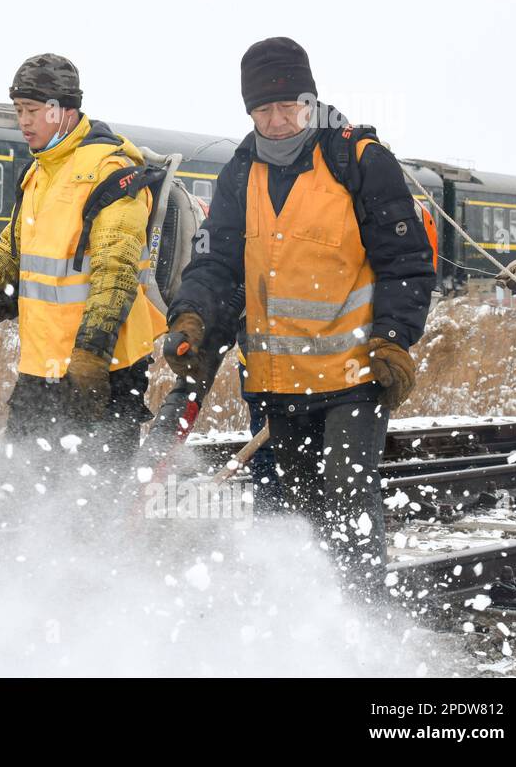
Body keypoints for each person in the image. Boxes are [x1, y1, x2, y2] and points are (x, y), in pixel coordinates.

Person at [165, 37, 436, 598]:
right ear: (249, 113)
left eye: (290, 105)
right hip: (274, 386)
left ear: (310, 101)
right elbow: (216, 264)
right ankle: (290, 629)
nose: (279, 119)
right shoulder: (240, 174)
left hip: (353, 380)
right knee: (284, 517)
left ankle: (364, 627)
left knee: (345, 506)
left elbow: (405, 263)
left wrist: (393, 340)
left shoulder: (358, 163)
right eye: (264, 109)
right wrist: (192, 314)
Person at [0, 53, 166, 489]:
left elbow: (115, 272)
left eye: (30, 111)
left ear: (62, 109)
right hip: (42, 365)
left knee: (92, 499)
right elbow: (10, 258)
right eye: (17, 111)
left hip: (103, 369)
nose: (22, 122)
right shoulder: (38, 174)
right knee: (24, 487)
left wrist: (91, 355)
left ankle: (100, 558)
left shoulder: (110, 171)